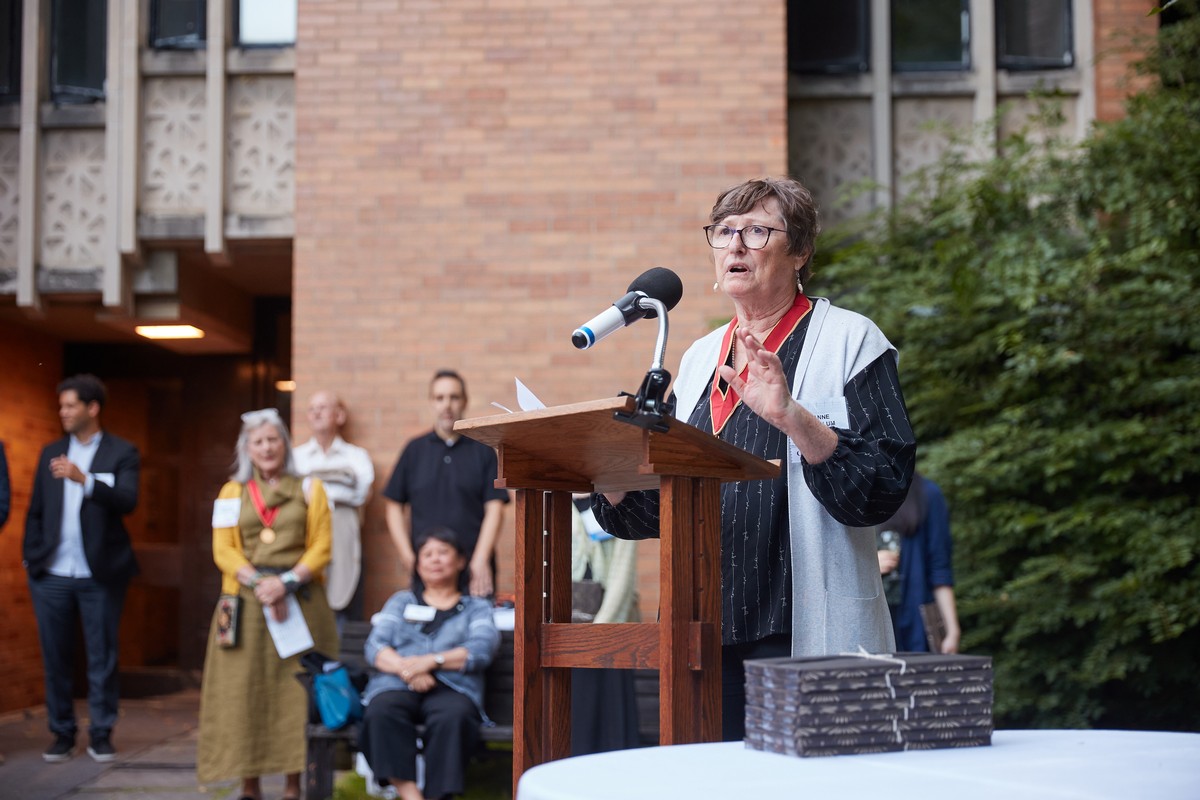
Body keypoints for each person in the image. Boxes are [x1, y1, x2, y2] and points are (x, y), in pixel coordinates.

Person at [593, 177, 916, 740]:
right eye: (724, 231)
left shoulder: (851, 340)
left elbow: (882, 486)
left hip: (802, 622)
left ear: (800, 252)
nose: (735, 245)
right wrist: (608, 471)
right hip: (704, 626)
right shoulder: (696, 360)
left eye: (757, 230)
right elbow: (658, 505)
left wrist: (793, 416)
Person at [196, 408, 338, 800]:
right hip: (242, 605)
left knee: (294, 693)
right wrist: (261, 583)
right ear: (247, 449)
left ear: (285, 444)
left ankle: (294, 783)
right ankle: (249, 785)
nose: (266, 447)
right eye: (258, 441)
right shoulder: (232, 492)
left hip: (300, 603)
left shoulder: (311, 488)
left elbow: (322, 547)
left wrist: (285, 582)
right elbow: (223, 550)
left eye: (273, 439)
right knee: (242, 692)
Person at [23, 374, 140, 763]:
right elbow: (36, 510)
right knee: (56, 657)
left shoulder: (122, 452)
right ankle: (61, 732)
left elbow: (127, 500)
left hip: (100, 574)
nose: (63, 412)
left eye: (70, 405)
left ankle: (102, 732)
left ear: (93, 408)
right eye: (61, 406)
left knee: (102, 656)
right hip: (52, 573)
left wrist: (84, 480)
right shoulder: (50, 451)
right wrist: (31, 556)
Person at [359, 526, 501, 800]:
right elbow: (375, 647)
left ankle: (439, 795)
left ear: (460, 561)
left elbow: (481, 649)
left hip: (454, 688)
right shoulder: (401, 602)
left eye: (443, 552)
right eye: (427, 554)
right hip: (397, 682)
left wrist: (431, 661)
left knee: (453, 716)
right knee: (381, 711)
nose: (435, 559)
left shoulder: (476, 607)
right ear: (418, 563)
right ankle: (412, 795)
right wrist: (408, 669)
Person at [383, 370, 509, 597]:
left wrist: (480, 560)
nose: (447, 405)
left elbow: (495, 508)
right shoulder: (414, 450)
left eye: (454, 397)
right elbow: (393, 505)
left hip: (473, 571)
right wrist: (408, 557)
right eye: (440, 398)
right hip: (428, 572)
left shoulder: (483, 451)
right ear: (431, 403)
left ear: (465, 401)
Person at [293, 390, 375, 629]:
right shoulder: (295, 458)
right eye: (312, 408)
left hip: (343, 538)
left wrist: (314, 485)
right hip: (304, 537)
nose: (316, 412)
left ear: (339, 416)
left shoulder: (356, 456)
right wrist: (339, 480)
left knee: (341, 605)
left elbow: (360, 494)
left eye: (323, 407)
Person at [570, 496, 641, 755]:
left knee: (610, 712)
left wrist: (602, 628)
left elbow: (623, 572)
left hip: (611, 622)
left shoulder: (615, 495)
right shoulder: (551, 496)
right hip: (568, 628)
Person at [877, 473, 961, 653]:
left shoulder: (927, 493)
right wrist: (870, 567)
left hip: (916, 622)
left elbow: (939, 568)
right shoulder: (849, 493)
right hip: (872, 624)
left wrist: (952, 630)